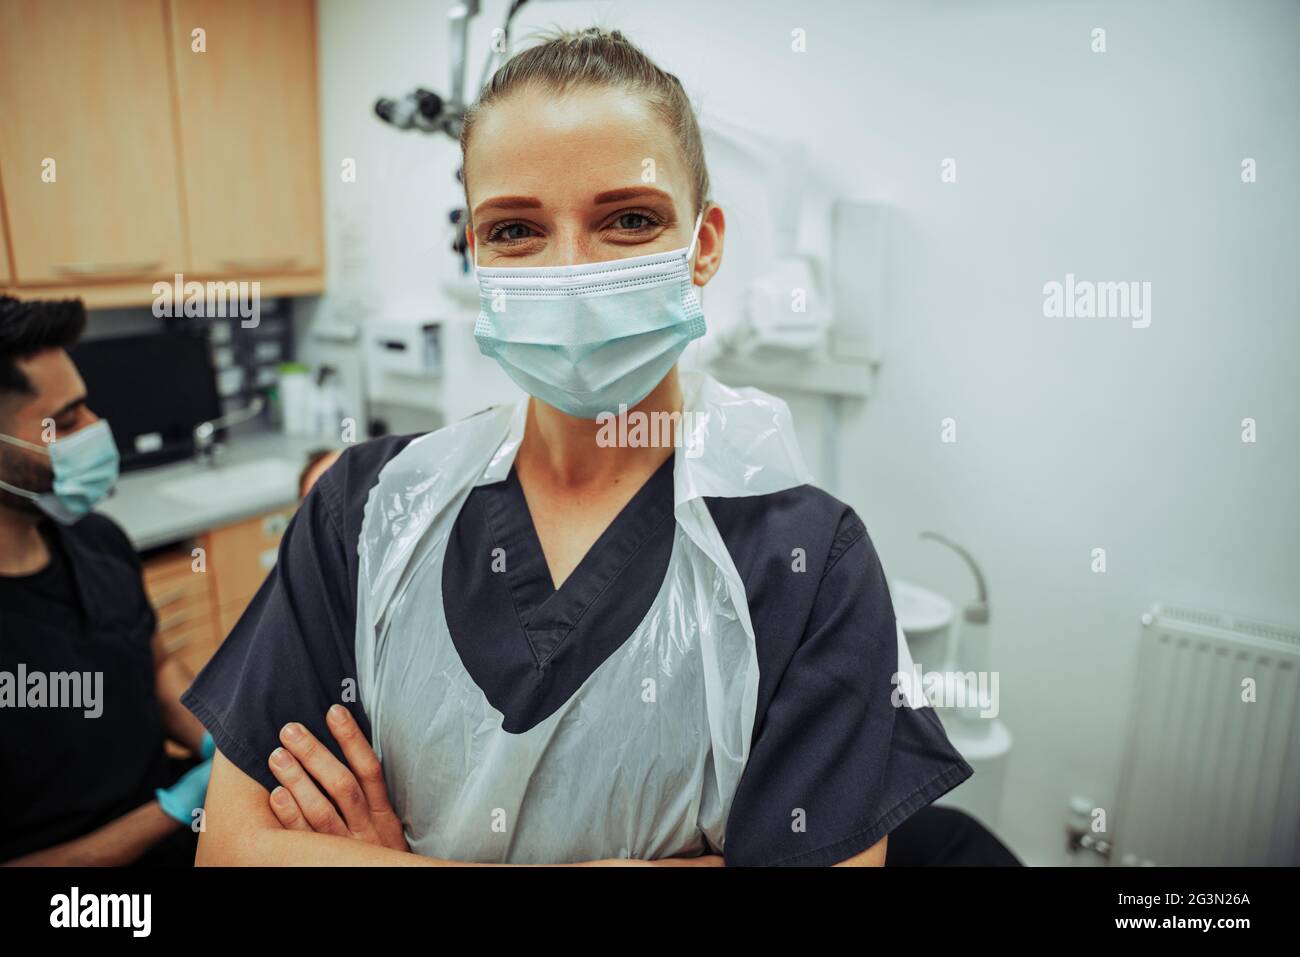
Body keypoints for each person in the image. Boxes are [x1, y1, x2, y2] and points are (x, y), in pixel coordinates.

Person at [184, 27, 974, 866]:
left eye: (628, 220)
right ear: (475, 255)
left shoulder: (810, 561)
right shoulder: (368, 510)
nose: (569, 273)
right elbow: (232, 848)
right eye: (516, 230)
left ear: (703, 246)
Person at [0, 296, 215, 866]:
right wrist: (169, 811)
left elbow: (157, 667)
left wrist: (216, 742)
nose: (97, 429)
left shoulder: (98, 540)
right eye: (66, 421)